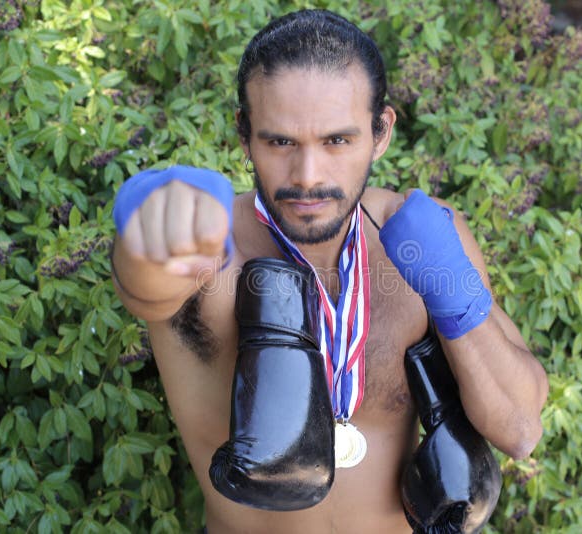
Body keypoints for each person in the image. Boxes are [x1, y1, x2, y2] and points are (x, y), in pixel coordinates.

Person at [110, 9, 548, 533]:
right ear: (244, 134)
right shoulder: (212, 247)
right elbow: (149, 285)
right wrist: (151, 228)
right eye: (280, 142)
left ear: (380, 132)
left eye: (337, 141)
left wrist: (454, 292)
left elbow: (520, 428)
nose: (309, 177)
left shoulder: (425, 239)